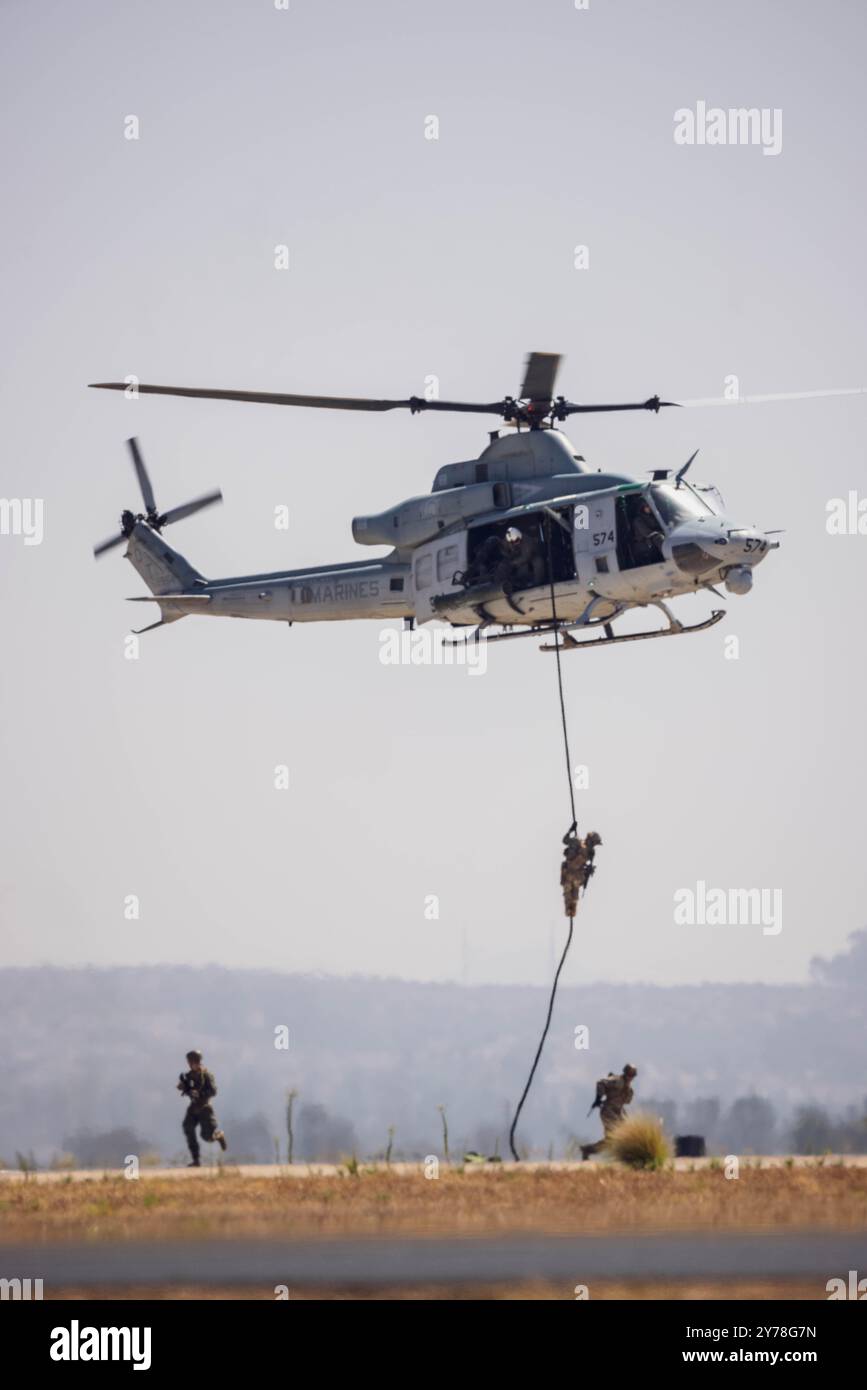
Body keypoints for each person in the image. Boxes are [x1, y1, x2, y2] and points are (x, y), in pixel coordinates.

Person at [177, 1049, 227, 1167]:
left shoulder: (206, 1076)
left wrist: (201, 1094)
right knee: (188, 1128)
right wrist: (183, 1087)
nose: (190, 1064)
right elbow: (185, 1087)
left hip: (205, 1108)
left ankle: (218, 1136)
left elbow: (213, 1091)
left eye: (192, 1061)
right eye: (189, 1061)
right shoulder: (188, 1076)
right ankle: (196, 1160)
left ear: (197, 1061)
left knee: (206, 1136)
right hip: (193, 1108)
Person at [581, 1064, 638, 1160]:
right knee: (615, 1136)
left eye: (632, 1075)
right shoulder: (617, 1081)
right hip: (608, 1111)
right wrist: (598, 1098)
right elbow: (601, 1083)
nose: (630, 1077)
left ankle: (588, 1150)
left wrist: (627, 1091)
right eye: (629, 1074)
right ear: (625, 1073)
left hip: (619, 1112)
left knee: (619, 1138)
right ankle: (588, 1150)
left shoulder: (629, 1089)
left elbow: (627, 1101)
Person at [560, 828, 602, 918]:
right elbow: (564, 840)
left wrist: (589, 869)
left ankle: (571, 911)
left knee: (574, 897)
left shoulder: (591, 852)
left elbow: (587, 865)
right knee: (568, 894)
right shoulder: (576, 842)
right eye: (593, 843)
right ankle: (569, 910)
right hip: (569, 873)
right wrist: (570, 830)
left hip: (577, 876)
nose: (593, 845)